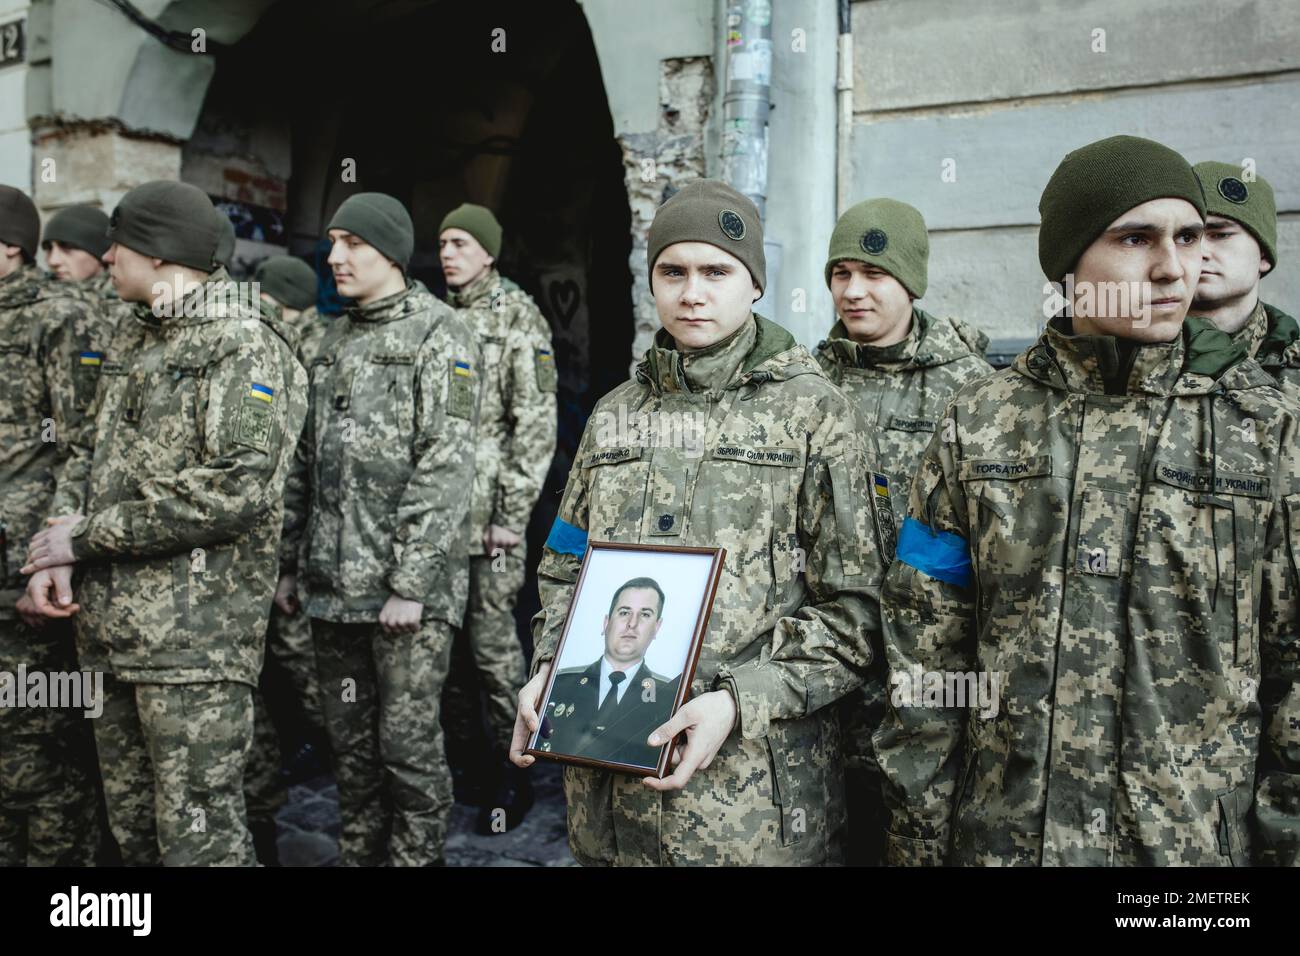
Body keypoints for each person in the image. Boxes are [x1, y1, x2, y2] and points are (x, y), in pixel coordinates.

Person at [873, 135, 1300, 866]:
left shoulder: (1265, 427)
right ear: (1070, 261)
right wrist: (919, 840)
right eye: (1136, 238)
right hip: (1004, 843)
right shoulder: (977, 420)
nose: (1174, 268)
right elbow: (928, 648)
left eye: (1190, 236)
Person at [510, 179, 884, 866]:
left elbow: (857, 612)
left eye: (716, 271)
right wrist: (552, 667)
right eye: (672, 271)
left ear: (754, 285)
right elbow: (566, 563)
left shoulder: (816, 416)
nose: (692, 291)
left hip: (746, 812)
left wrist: (740, 702)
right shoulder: (614, 414)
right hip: (607, 806)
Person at [23, 180, 308, 866]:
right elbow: (84, 448)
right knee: (135, 835)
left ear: (158, 251)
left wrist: (86, 536)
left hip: (193, 647)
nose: (108, 254)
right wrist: (54, 552)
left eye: (120, 241)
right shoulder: (131, 333)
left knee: (198, 842)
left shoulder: (244, 344)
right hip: (109, 634)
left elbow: (236, 488)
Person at [277, 192, 481, 866]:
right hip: (333, 592)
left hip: (405, 603)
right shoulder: (327, 340)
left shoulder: (441, 334)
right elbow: (302, 461)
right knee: (353, 751)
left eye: (352, 244)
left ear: (390, 253)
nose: (334, 257)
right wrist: (287, 565)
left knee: (408, 749)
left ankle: (419, 860)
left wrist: (412, 583)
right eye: (332, 243)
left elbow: (445, 465)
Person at [814, 197, 992, 865]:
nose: (854, 291)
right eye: (841, 273)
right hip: (829, 683)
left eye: (875, 274)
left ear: (911, 281)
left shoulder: (970, 391)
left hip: (925, 688)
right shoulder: (808, 382)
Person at [438, 202, 557, 833]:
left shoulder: (517, 316)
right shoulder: (435, 317)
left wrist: (510, 515)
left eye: (461, 242)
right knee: (449, 650)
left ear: (488, 251)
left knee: (490, 650)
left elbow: (534, 424)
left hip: (492, 526)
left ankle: (517, 773)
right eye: (442, 243)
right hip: (440, 520)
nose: (448, 253)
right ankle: (470, 765)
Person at [0, 186, 104, 866]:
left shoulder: (61, 316)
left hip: (21, 567)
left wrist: (44, 562)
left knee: (38, 749)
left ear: (9, 245)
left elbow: (82, 446)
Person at [539, 577, 679, 767]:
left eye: (645, 614)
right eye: (624, 612)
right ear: (606, 622)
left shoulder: (669, 696)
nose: (632, 623)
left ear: (657, 628)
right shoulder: (560, 683)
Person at [1191, 162, 1299, 400]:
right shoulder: (1129, 361)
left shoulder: (1292, 365)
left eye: (1220, 234)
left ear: (1263, 255)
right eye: (1187, 237)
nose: (1199, 251)